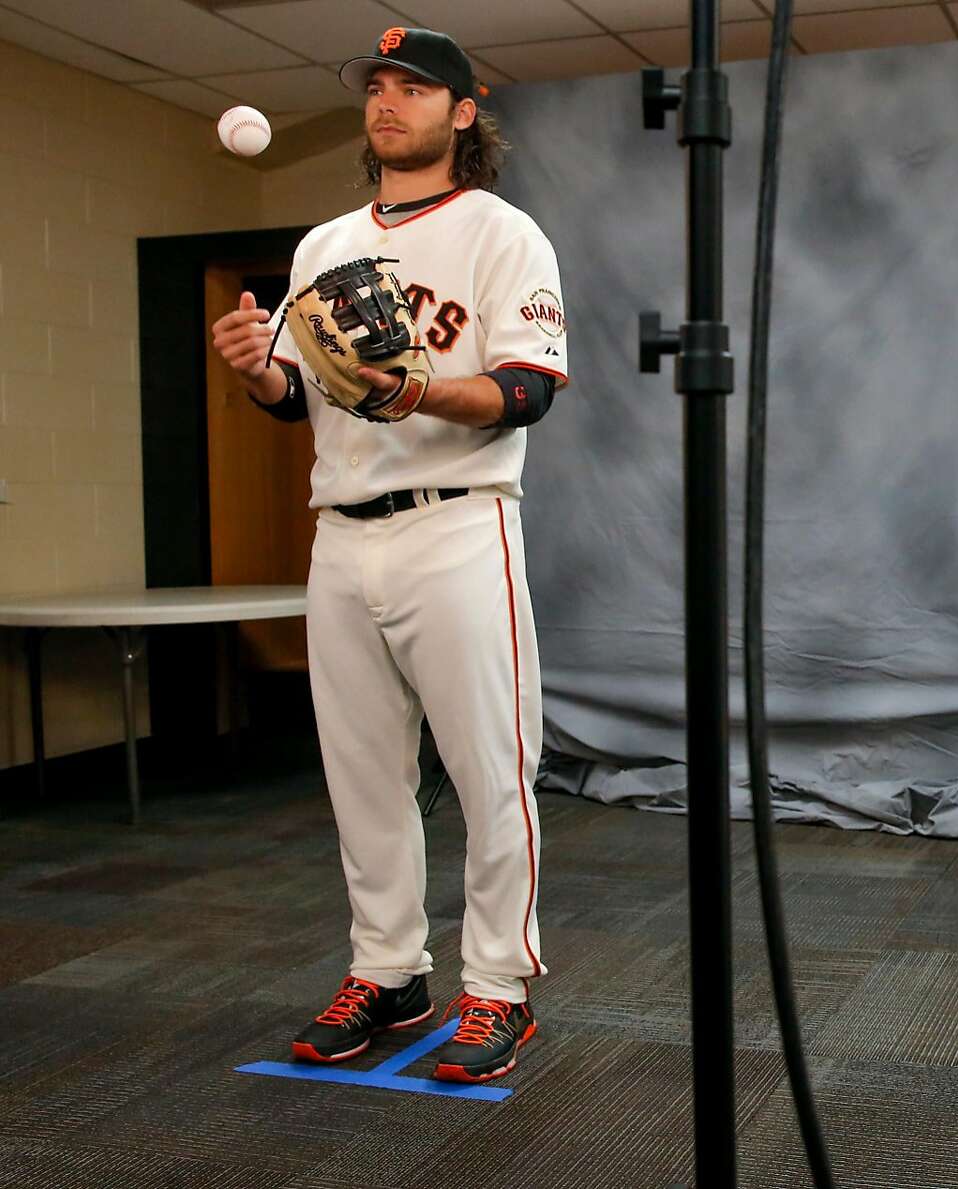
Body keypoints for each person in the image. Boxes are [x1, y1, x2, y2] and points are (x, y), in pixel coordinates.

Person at [208, 26, 567, 1083]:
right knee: (363, 778)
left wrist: (416, 389)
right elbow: (294, 398)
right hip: (342, 535)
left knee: (492, 772)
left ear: (463, 110)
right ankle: (390, 973)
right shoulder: (321, 246)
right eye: (376, 85)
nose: (386, 100)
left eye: (414, 87)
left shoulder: (506, 235)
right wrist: (253, 370)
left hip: (460, 524)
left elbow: (526, 390)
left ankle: (497, 989)